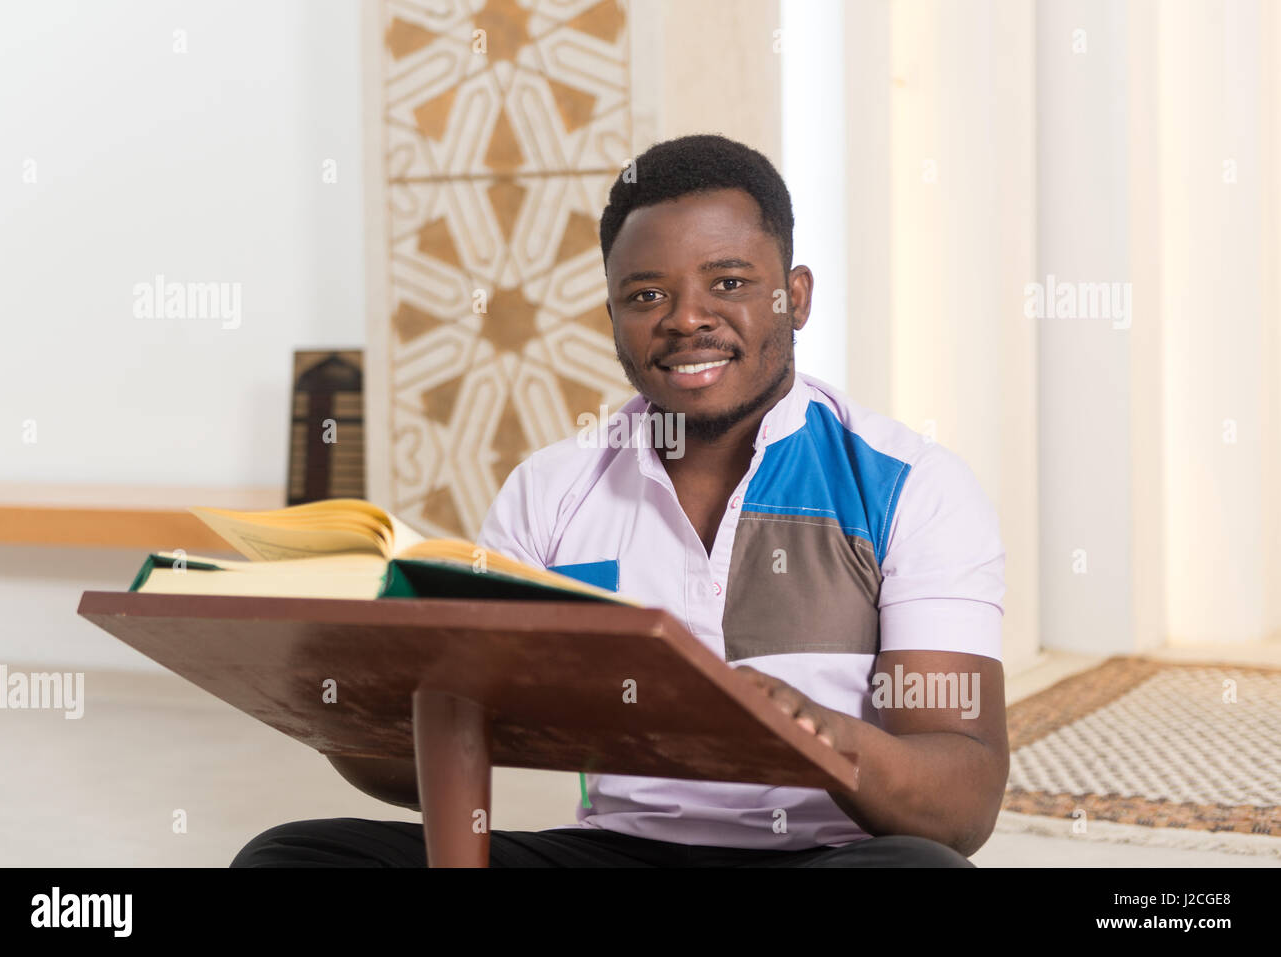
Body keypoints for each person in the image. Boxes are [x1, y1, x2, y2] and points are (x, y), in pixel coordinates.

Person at [232, 134, 1008, 868]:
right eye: (646, 295)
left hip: (830, 857)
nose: (686, 319)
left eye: (729, 283)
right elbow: (457, 744)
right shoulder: (549, 492)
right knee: (293, 857)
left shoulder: (911, 484)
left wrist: (816, 735)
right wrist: (331, 700)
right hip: (618, 852)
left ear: (794, 298)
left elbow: (961, 801)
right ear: (613, 321)